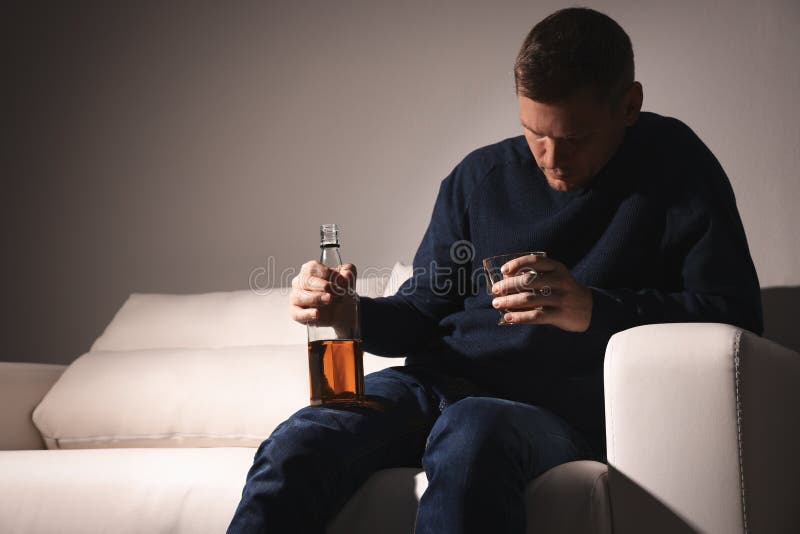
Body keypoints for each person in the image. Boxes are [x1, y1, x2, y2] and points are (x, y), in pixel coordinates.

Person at [227, 7, 762, 534]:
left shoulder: (675, 166)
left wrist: (594, 311)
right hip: (431, 384)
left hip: (553, 411)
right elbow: (422, 308)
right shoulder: (480, 177)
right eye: (533, 132)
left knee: (473, 426)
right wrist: (352, 312)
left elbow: (735, 315)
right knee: (302, 438)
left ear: (629, 105)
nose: (551, 157)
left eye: (574, 138)